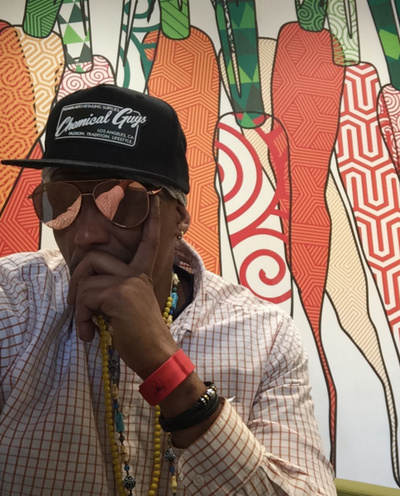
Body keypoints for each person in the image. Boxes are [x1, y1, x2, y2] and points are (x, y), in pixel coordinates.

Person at [0, 84, 336, 495]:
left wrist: (171, 375)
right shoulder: (12, 303)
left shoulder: (264, 337)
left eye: (121, 202)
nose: (85, 235)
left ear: (179, 216)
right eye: (61, 201)